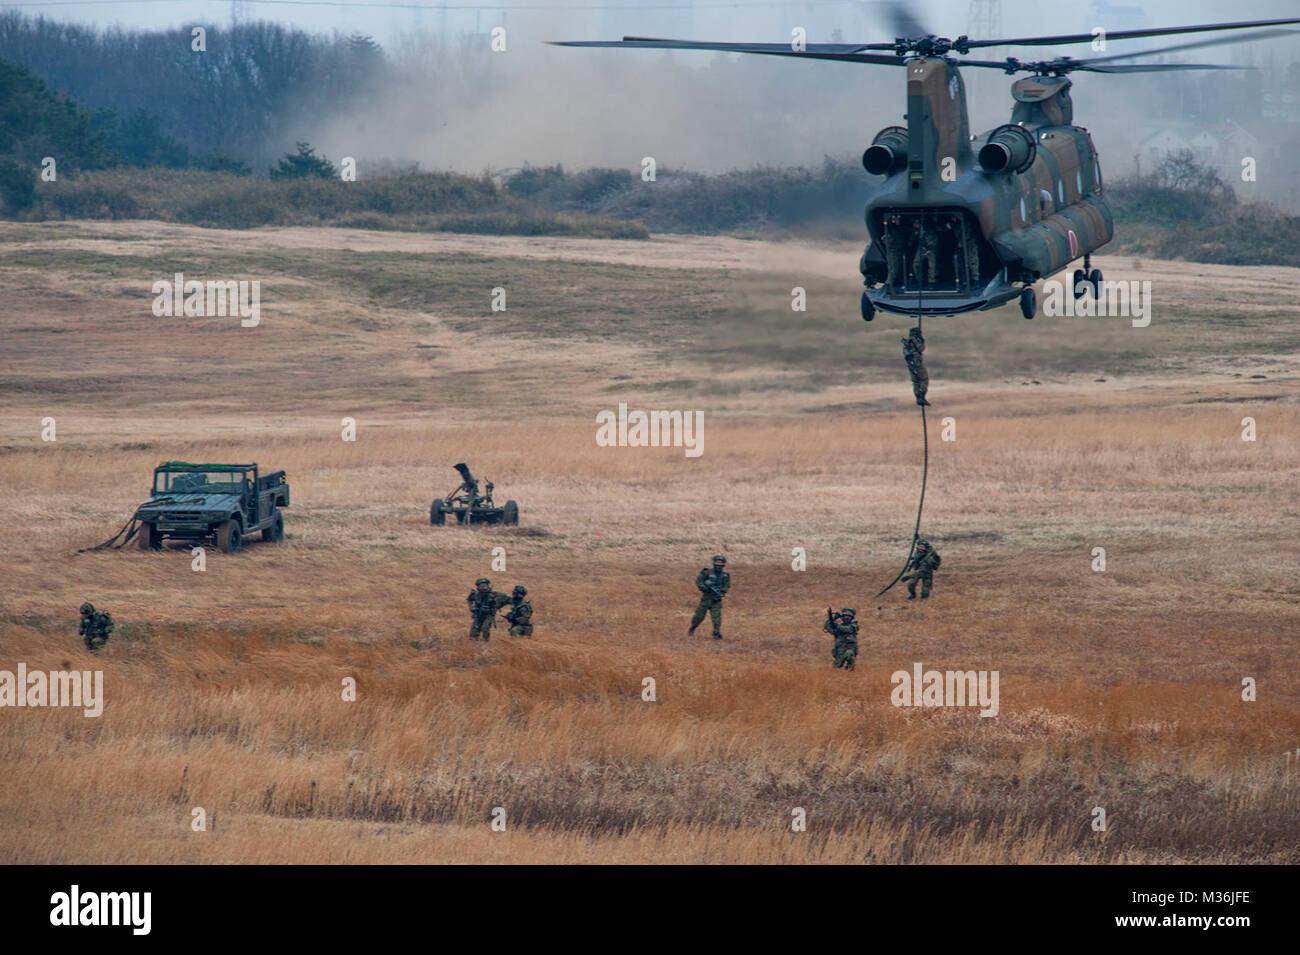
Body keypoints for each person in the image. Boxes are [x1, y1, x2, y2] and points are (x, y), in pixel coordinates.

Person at [688, 554, 730, 640]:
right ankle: (692, 628)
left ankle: (716, 633)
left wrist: (721, 591)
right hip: (706, 599)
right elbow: (699, 580)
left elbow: (726, 586)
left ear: (723, 565)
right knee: (699, 616)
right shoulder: (707, 572)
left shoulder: (725, 575)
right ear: (714, 564)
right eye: (717, 564)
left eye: (721, 565)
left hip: (716, 600)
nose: (719, 566)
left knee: (717, 618)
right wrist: (703, 587)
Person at [902, 326, 930, 407]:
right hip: (917, 363)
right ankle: (922, 396)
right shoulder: (915, 340)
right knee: (924, 379)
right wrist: (922, 341)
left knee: (916, 381)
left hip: (910, 364)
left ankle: (918, 397)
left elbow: (905, 354)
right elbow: (921, 348)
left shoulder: (906, 343)